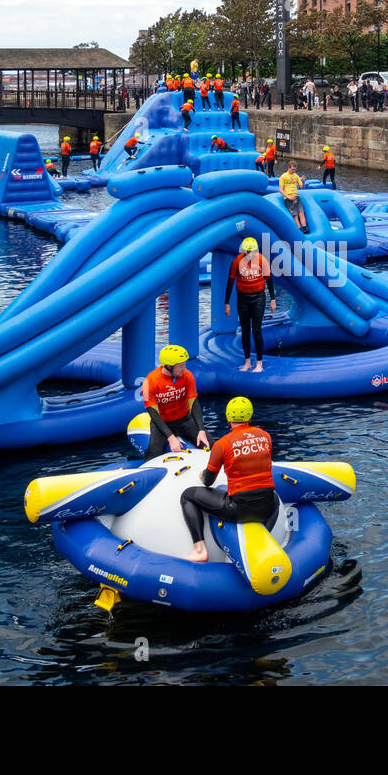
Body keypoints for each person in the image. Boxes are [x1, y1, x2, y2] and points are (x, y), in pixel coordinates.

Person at [179, 396, 278, 563]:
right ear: (250, 417)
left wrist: (202, 474)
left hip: (239, 509)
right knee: (273, 497)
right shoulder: (265, 436)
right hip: (268, 507)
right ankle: (265, 538)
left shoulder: (222, 444)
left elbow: (208, 481)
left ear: (228, 419)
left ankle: (200, 549)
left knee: (187, 495)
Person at [143, 345, 210, 459]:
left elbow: (194, 403)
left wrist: (201, 430)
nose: (184, 369)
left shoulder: (187, 376)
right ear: (168, 366)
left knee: (210, 445)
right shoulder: (150, 382)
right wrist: (170, 437)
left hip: (184, 420)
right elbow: (153, 413)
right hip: (162, 423)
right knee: (153, 454)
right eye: (180, 366)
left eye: (184, 365)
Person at [224, 238, 276, 373]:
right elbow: (230, 283)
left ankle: (259, 363)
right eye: (246, 252)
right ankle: (247, 362)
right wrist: (227, 303)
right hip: (242, 298)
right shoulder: (236, 261)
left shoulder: (261, 259)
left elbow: (269, 280)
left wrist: (273, 299)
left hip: (258, 297)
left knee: (256, 330)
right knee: (245, 330)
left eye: (251, 252)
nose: (249, 254)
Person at [279, 162, 307, 232]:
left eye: (295, 170)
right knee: (295, 215)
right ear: (288, 168)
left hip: (296, 197)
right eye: (292, 169)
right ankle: (299, 230)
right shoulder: (283, 176)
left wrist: (303, 182)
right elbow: (280, 190)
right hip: (289, 199)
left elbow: (302, 187)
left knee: (301, 213)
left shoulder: (296, 176)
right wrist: (288, 197)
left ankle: (304, 228)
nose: (294, 171)